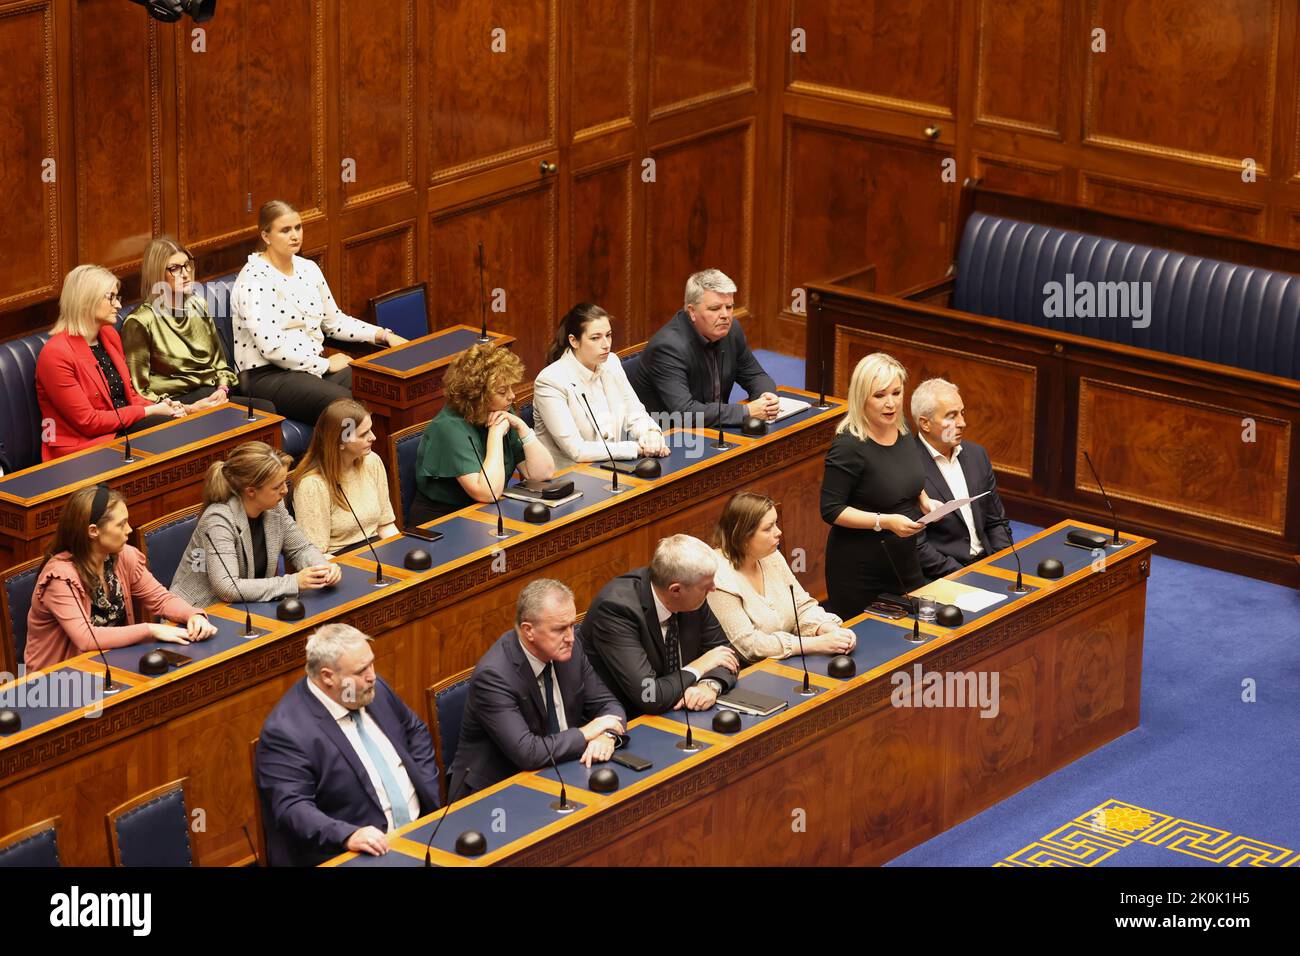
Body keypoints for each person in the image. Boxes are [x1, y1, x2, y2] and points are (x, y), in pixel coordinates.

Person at [256, 623, 441, 866]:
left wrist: (426, 786)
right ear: (327, 676)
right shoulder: (286, 731)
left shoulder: (370, 689)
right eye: (361, 670)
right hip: (354, 856)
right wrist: (347, 835)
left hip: (424, 832)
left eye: (371, 663)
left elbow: (415, 730)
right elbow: (293, 808)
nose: (372, 676)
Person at [447, 579, 626, 803]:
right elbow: (528, 753)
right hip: (497, 794)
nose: (571, 637)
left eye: (571, 625)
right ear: (528, 631)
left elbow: (609, 705)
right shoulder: (494, 676)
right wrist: (586, 733)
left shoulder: (569, 650)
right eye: (560, 629)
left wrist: (607, 736)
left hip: (560, 771)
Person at [231, 200, 407, 425]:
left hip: (309, 367)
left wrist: (383, 335)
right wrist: (325, 365)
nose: (295, 235)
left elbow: (335, 322)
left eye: (298, 227)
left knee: (379, 382)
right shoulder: (253, 279)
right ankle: (340, 461)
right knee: (342, 407)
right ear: (266, 236)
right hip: (267, 376)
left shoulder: (308, 269)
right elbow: (272, 348)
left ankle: (381, 456)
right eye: (285, 230)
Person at [24, 484, 215, 672]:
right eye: (121, 524)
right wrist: (150, 630)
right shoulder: (60, 578)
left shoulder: (123, 557)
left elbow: (161, 600)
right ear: (93, 531)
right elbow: (86, 637)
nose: (129, 530)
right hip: (59, 682)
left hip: (113, 663)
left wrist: (193, 615)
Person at [820, 353, 940, 619]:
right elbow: (831, 510)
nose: (891, 403)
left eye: (897, 393)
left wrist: (924, 500)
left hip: (903, 558)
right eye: (880, 395)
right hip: (860, 570)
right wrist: (884, 521)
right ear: (862, 397)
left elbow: (902, 476)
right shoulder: (848, 446)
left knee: (917, 636)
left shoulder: (904, 428)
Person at [35, 264, 186, 461]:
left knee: (178, 424)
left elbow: (130, 396)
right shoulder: (55, 355)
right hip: (82, 448)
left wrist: (167, 406)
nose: (119, 305)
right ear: (86, 302)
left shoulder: (108, 335)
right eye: (111, 297)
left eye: (118, 297)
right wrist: (151, 411)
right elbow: (88, 422)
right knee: (164, 430)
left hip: (122, 431)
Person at [581, 534, 740, 716]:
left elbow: (725, 653)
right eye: (705, 586)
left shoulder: (692, 596)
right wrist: (699, 666)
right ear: (676, 590)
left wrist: (709, 685)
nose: (713, 588)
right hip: (629, 723)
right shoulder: (616, 610)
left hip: (679, 712)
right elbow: (650, 696)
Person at [169, 441, 341, 607]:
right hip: (200, 612)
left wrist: (322, 568)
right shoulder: (218, 520)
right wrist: (293, 582)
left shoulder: (274, 506)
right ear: (251, 491)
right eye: (276, 487)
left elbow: (300, 548)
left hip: (247, 607)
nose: (285, 490)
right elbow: (228, 588)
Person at [120, 237, 274, 414]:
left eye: (187, 265)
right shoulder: (140, 321)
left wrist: (223, 390)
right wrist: (187, 408)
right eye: (175, 269)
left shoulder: (199, 305)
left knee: (266, 410)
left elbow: (220, 364)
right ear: (157, 274)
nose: (185, 273)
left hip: (211, 393)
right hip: (177, 403)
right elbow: (141, 391)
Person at [407, 343, 555, 525]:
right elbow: (488, 492)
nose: (512, 396)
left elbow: (543, 473)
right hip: (445, 523)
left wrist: (523, 429)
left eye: (511, 388)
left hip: (487, 514)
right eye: (502, 391)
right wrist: (495, 436)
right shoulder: (448, 428)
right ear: (477, 395)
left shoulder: (499, 411)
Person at [707, 492, 857, 664]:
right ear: (742, 534)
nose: (778, 532)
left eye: (776, 523)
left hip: (791, 662)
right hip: (750, 675)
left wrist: (828, 629)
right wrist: (816, 644)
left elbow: (801, 606)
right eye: (767, 528)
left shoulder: (771, 555)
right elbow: (749, 647)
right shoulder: (718, 577)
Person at [628, 268, 779, 428]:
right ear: (692, 311)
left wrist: (766, 397)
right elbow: (684, 414)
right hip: (671, 439)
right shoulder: (667, 348)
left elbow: (755, 375)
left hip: (714, 428)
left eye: (729, 307)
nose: (725, 316)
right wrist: (746, 411)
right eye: (715, 309)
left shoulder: (731, 330)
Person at [532, 303, 668, 469]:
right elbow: (577, 450)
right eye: (595, 338)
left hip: (613, 468)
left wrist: (651, 434)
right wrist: (636, 448)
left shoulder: (611, 362)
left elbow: (636, 414)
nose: (606, 344)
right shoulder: (551, 381)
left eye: (608, 335)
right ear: (574, 341)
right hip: (568, 479)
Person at [909, 378, 1012, 577]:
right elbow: (918, 546)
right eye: (951, 416)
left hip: (989, 564)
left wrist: (1003, 565)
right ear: (925, 423)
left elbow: (996, 522)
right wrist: (966, 577)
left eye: (962, 413)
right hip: (944, 575)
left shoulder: (976, 455)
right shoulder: (908, 467)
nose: (962, 423)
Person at [291, 399, 398, 555]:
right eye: (363, 434)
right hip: (338, 562)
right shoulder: (312, 485)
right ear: (340, 442)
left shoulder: (372, 461)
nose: (373, 437)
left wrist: (401, 556)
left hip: (378, 553)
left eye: (371, 430)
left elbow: (385, 525)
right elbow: (315, 555)